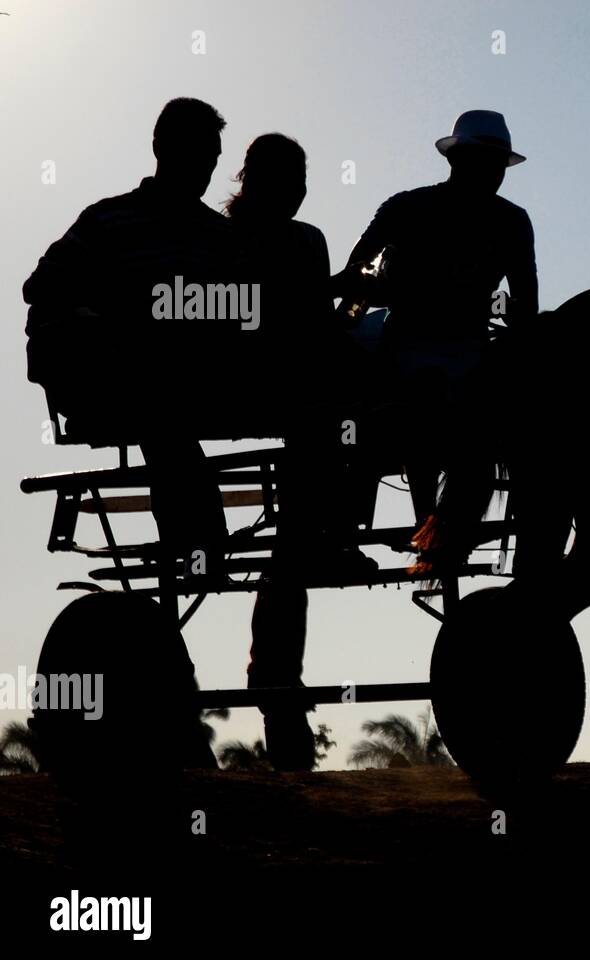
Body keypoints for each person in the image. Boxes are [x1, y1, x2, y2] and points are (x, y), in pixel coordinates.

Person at [23, 97, 242, 570]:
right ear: (161, 148)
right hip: (115, 378)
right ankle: (200, 539)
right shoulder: (107, 220)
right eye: (197, 154)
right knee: (159, 403)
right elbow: (42, 287)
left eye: (212, 159)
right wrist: (115, 317)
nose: (205, 169)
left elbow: (245, 313)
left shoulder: (218, 237)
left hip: (190, 379)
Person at [224, 132, 372, 770]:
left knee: (292, 544)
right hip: (283, 388)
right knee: (370, 397)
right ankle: (337, 530)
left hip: (254, 385)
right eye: (297, 177)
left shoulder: (222, 235)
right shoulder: (300, 240)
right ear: (266, 182)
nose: (303, 189)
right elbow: (310, 325)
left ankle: (278, 683)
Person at [337, 110, 537, 530]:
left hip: (432, 348)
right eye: (488, 162)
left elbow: (356, 272)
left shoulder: (407, 206)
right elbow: (524, 306)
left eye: (497, 164)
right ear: (457, 160)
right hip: (441, 351)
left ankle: (354, 525)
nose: (494, 173)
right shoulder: (509, 221)